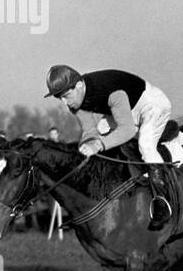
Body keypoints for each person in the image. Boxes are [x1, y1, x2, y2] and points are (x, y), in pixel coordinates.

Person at [44, 64, 174, 231]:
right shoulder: (75, 100)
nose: (64, 102)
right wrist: (88, 144)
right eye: (59, 97)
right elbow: (90, 131)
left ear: (79, 85)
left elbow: (126, 130)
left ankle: (163, 201)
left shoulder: (110, 89)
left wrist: (98, 145)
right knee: (102, 130)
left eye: (66, 95)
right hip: (128, 109)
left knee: (145, 143)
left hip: (151, 105)